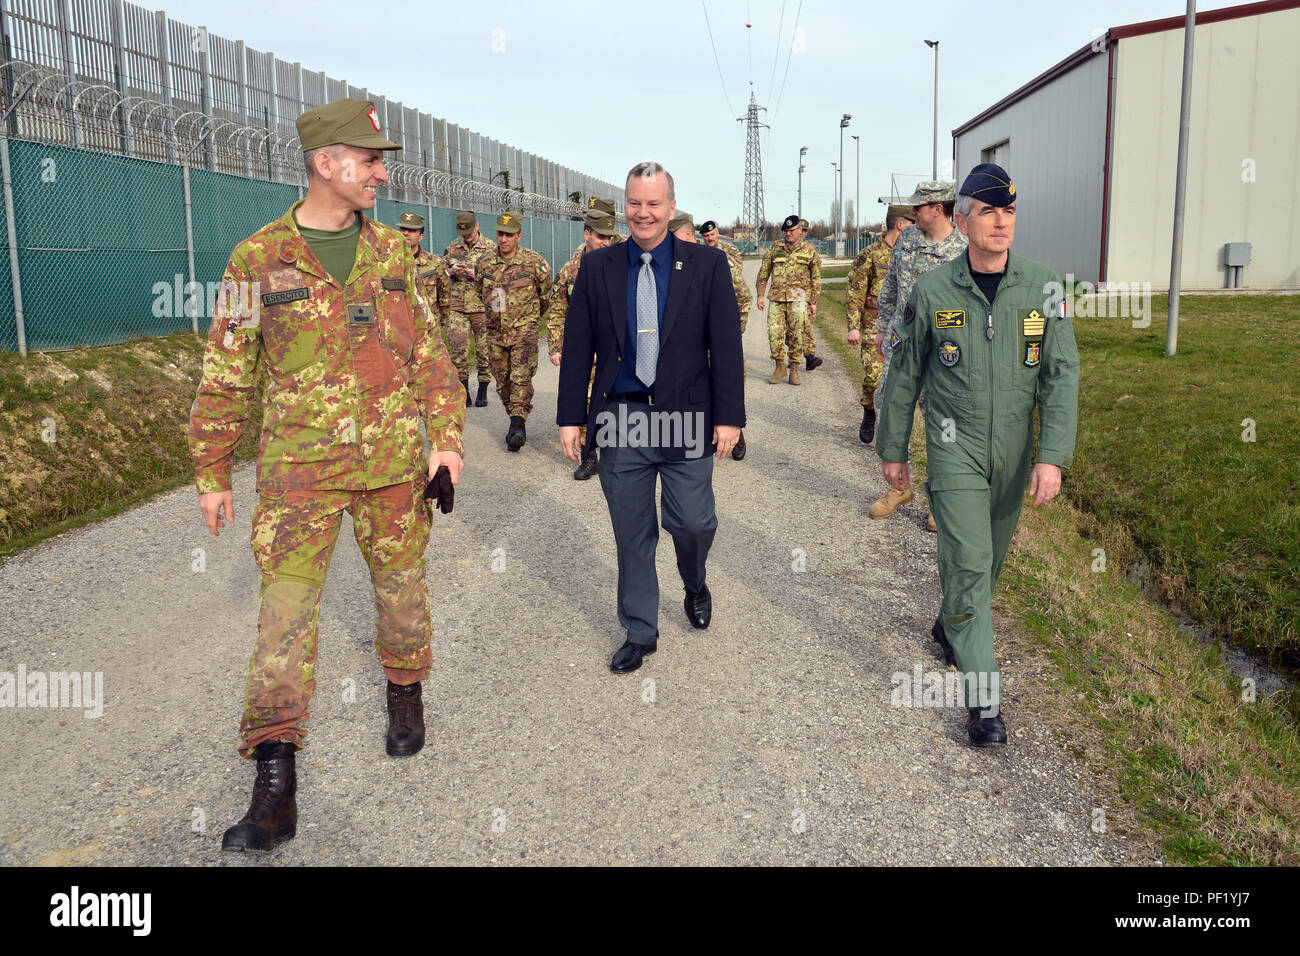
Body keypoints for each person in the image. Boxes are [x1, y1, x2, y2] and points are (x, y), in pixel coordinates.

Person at [188, 98, 466, 849]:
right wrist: (212, 468)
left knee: (402, 594)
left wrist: (446, 440)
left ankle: (404, 693)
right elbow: (226, 374)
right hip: (298, 473)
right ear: (325, 162)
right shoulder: (257, 259)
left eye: (381, 160)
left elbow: (430, 356)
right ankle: (275, 785)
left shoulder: (395, 256)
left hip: (390, 468)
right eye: (370, 159)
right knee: (283, 620)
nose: (382, 173)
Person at [876, 163, 1079, 747]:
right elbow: (905, 372)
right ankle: (984, 699)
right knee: (968, 562)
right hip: (953, 445)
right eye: (988, 211)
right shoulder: (934, 290)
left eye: (1008, 211)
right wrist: (894, 448)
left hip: (1015, 451)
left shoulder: (1042, 286)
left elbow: (1061, 376)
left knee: (987, 564)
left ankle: (950, 622)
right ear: (963, 221)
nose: (1000, 222)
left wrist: (1052, 456)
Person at [556, 161, 744, 673]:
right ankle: (639, 630)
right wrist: (571, 417)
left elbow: (725, 348)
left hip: (685, 416)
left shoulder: (706, 267)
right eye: (635, 203)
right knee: (632, 530)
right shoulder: (598, 269)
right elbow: (578, 349)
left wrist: (730, 418)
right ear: (626, 206)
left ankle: (695, 580)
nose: (643, 213)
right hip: (623, 418)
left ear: (670, 204)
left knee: (692, 522)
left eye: (654, 203)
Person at [871, 181, 967, 529]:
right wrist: (882, 327)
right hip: (901, 342)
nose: (911, 213)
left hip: (944, 351)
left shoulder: (964, 248)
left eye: (918, 208)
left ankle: (940, 501)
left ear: (937, 209)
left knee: (944, 424)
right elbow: (892, 286)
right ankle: (900, 488)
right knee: (887, 408)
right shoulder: (907, 239)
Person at [475, 211, 553, 451]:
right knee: (502, 381)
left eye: (509, 235)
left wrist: (528, 320)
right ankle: (514, 416)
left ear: (519, 235)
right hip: (495, 332)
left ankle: (518, 425)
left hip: (524, 331)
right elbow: (481, 291)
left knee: (520, 377)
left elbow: (545, 295)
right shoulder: (485, 263)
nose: (504, 239)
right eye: (500, 234)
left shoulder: (534, 263)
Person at [548, 210, 616, 479]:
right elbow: (556, 309)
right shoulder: (569, 271)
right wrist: (555, 345)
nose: (606, 242)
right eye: (601, 237)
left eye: (610, 237)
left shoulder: (618, 266)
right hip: (584, 350)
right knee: (585, 400)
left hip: (613, 349)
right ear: (587, 235)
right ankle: (588, 456)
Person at [845, 205, 914, 443]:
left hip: (904, 327)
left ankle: (892, 430)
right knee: (874, 378)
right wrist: (853, 326)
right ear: (901, 225)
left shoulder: (910, 255)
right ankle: (869, 411)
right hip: (872, 325)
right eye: (912, 223)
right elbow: (855, 294)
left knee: (900, 381)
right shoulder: (870, 254)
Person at [701, 218, 752, 461]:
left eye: (712, 235)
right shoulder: (695, 257)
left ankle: (736, 432)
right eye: (706, 236)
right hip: (699, 337)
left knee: (731, 382)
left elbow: (742, 296)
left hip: (723, 331)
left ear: (717, 234)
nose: (710, 239)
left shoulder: (727, 255)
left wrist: (733, 333)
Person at [755, 214, 820, 385]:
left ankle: (794, 370)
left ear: (800, 230)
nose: (788, 234)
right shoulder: (775, 247)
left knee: (796, 334)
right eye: (786, 231)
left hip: (799, 299)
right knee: (774, 332)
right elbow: (764, 272)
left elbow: (816, 279)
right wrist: (760, 295)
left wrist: (813, 302)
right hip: (776, 297)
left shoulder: (810, 250)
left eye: (791, 230)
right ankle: (779, 366)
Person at [443, 211, 495, 407]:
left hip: (482, 308)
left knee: (484, 351)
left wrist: (477, 275)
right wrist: (451, 272)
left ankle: (483, 388)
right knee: (458, 350)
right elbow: (441, 274)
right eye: (463, 234)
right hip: (457, 307)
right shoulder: (452, 247)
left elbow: (498, 279)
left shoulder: (490, 248)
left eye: (470, 233)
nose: (467, 237)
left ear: (477, 227)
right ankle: (463, 390)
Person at [396, 211, 450, 342]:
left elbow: (445, 300)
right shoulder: (389, 263)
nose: (405, 233)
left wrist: (439, 328)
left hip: (428, 331)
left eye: (411, 230)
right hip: (399, 330)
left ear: (421, 237)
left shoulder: (435, 264)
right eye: (403, 229)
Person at [797, 217, 824, 371]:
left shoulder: (810, 249)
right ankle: (799, 356)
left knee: (807, 326)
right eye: (800, 229)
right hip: (795, 295)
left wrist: (814, 299)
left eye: (805, 230)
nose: (803, 233)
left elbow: (816, 274)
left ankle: (809, 357)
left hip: (806, 295)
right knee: (797, 327)